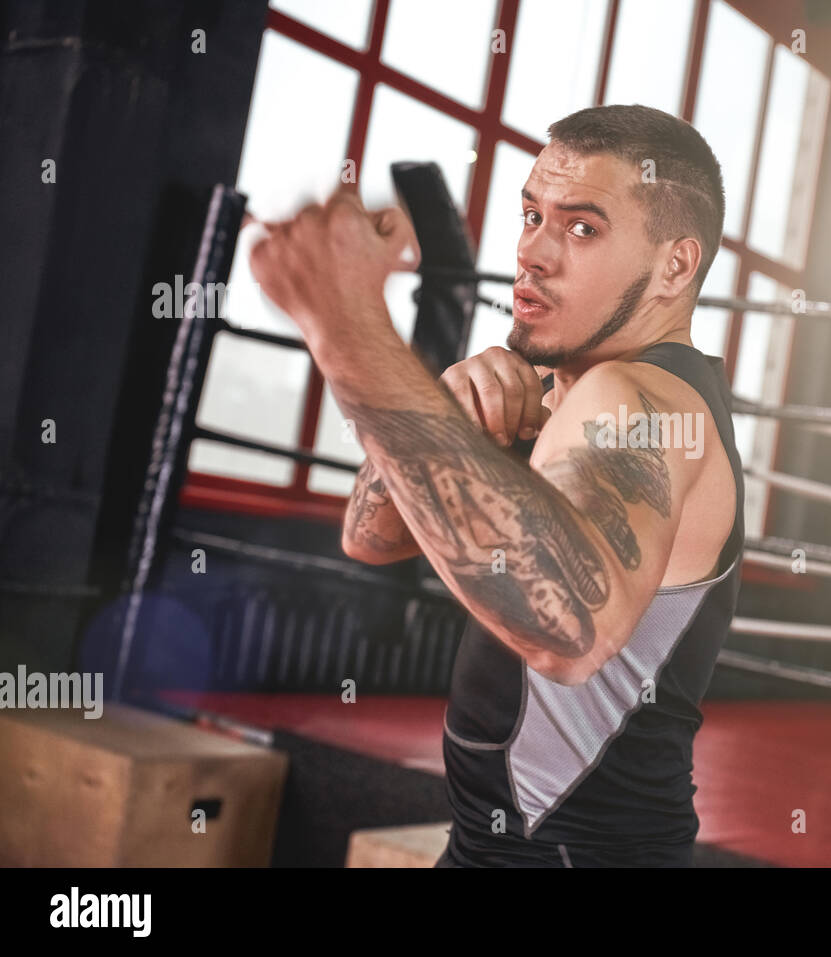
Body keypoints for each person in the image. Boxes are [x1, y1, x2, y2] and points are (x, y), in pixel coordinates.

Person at [250, 103, 744, 867]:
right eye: (530, 215)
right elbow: (369, 533)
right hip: (490, 848)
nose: (534, 254)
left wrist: (347, 324)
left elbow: (567, 629)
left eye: (582, 228)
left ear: (675, 266)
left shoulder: (643, 402)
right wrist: (445, 416)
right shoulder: (560, 393)